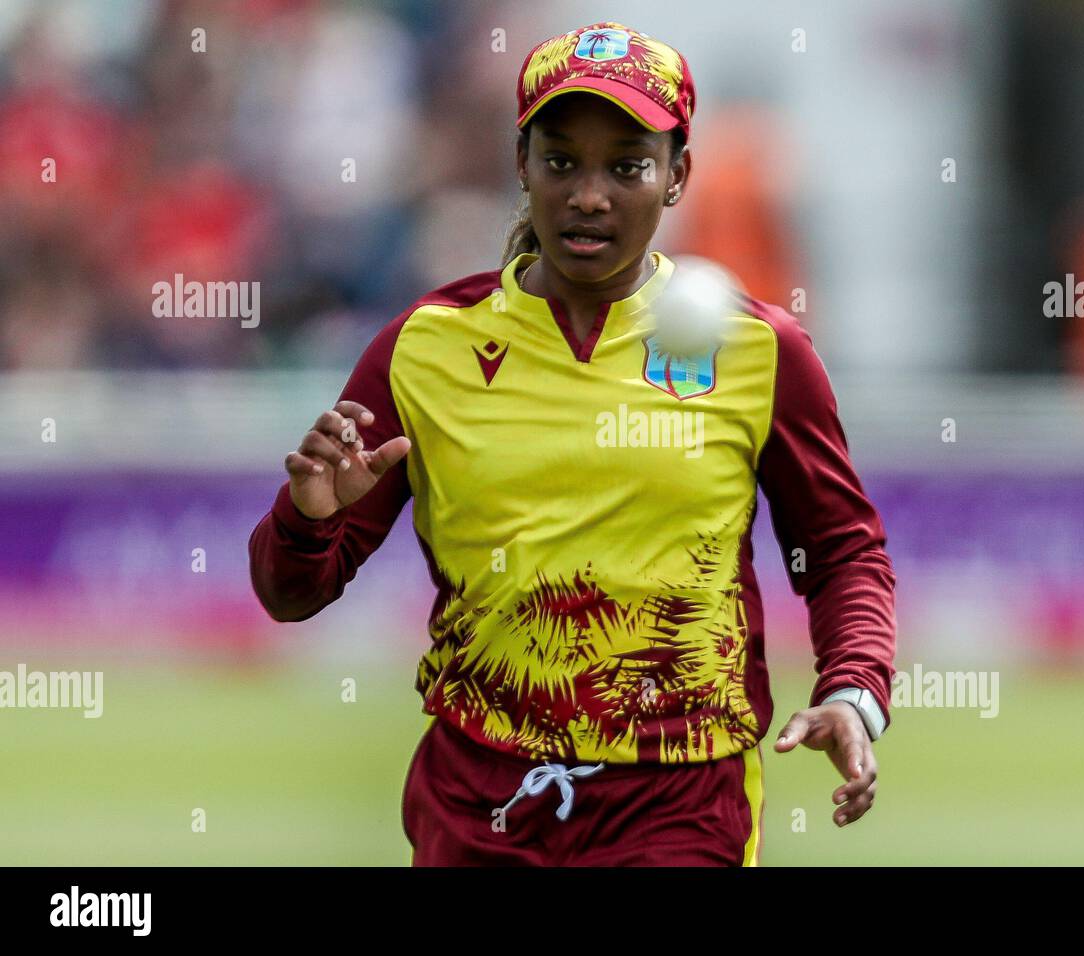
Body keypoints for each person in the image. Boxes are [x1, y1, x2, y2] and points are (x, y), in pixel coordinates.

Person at [248, 20, 896, 867]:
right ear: (522, 165)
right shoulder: (423, 349)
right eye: (561, 161)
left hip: (680, 801)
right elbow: (290, 594)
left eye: (627, 165)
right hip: (480, 800)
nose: (590, 195)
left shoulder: (758, 351)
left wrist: (853, 692)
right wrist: (309, 519)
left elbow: (841, 550)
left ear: (677, 176)